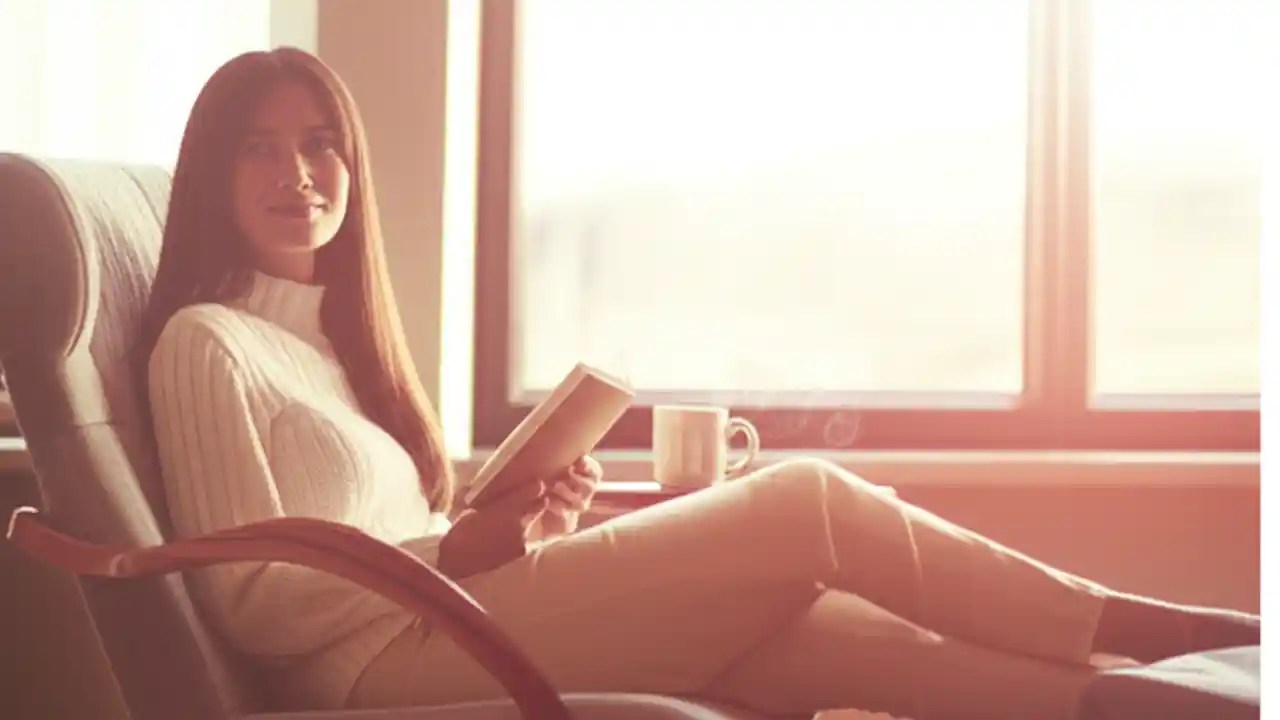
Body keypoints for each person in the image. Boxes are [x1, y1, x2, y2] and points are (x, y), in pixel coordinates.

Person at [138, 47, 1259, 720]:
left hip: (447, 610)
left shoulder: (340, 348)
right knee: (806, 503)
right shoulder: (207, 343)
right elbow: (252, 601)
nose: (297, 172)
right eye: (258, 148)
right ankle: (1165, 630)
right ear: (213, 173)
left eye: (320, 142)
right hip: (371, 667)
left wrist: (510, 527)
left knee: (809, 633)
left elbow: (387, 533)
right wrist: (452, 558)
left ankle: (1146, 703)